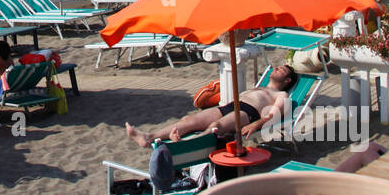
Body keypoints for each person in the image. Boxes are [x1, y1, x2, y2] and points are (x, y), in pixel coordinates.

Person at [125, 65, 298, 146]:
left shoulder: (280, 95)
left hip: (248, 112)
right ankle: (148, 137)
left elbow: (272, 115)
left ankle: (183, 147)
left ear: (287, 80)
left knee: (217, 127)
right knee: (189, 119)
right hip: (231, 106)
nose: (276, 68)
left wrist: (256, 124)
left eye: (282, 70)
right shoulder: (259, 86)